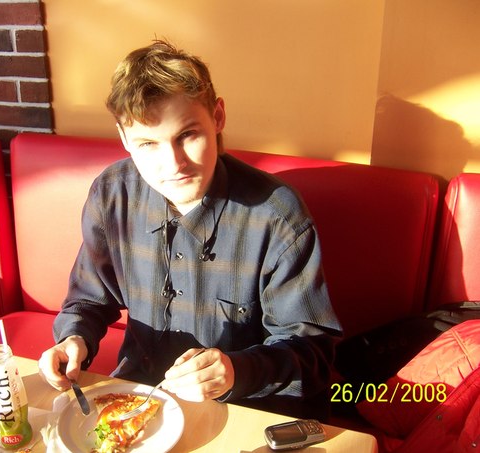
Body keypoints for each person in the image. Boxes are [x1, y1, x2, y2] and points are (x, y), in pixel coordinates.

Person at [38, 39, 342, 419]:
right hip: (136, 399)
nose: (173, 164)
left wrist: (235, 371)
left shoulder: (278, 217)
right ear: (124, 139)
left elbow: (313, 353)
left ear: (218, 117)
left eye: (187, 135)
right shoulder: (113, 195)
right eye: (148, 144)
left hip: (242, 410)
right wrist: (74, 338)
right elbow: (89, 298)